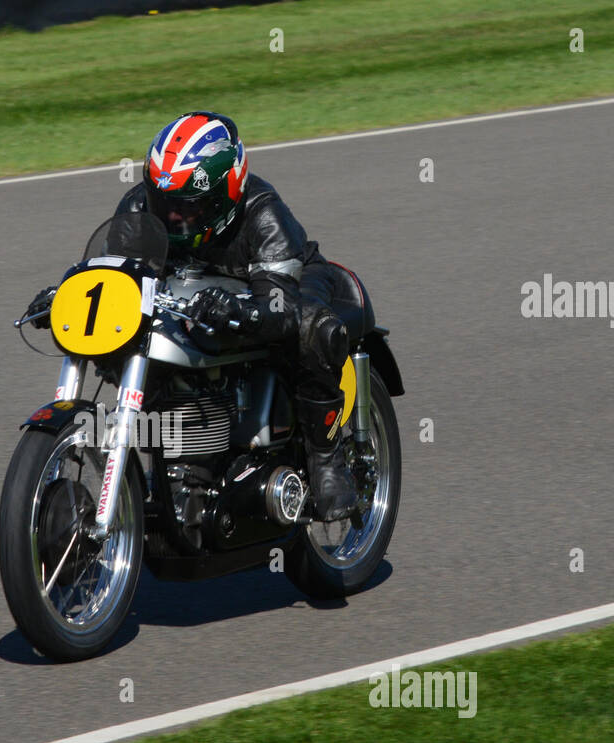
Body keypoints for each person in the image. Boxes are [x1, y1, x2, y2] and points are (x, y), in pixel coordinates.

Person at [28, 111, 374, 522]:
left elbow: (279, 308)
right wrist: (70, 296)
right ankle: (182, 456)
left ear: (224, 196)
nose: (171, 217)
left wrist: (244, 309)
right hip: (191, 296)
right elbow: (115, 274)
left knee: (310, 328)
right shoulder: (140, 205)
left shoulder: (264, 216)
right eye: (164, 202)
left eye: (186, 208)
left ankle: (327, 459)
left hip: (281, 284)